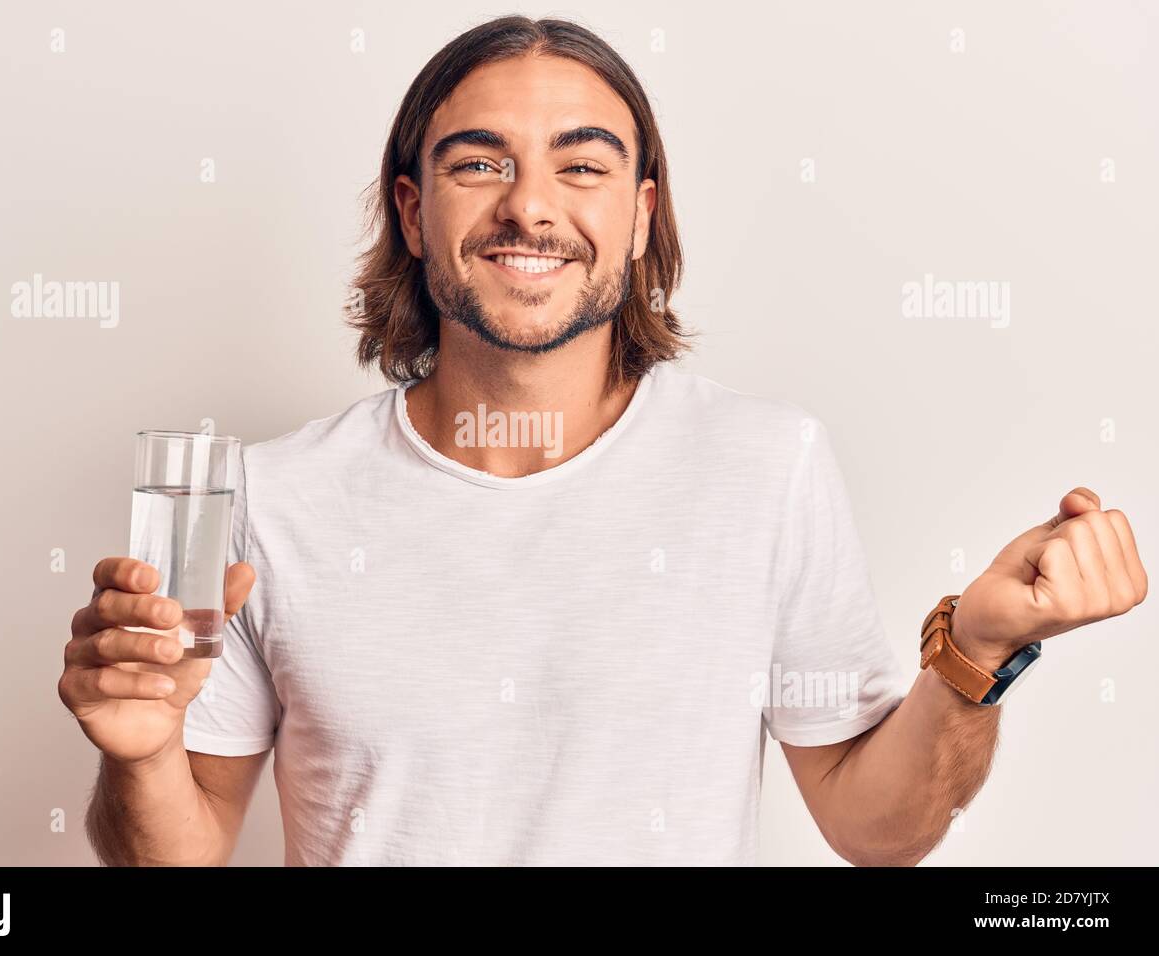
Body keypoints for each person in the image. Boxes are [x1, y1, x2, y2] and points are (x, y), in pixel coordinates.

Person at [59, 15, 1147, 866]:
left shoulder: (765, 468)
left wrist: (977, 653)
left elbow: (877, 830)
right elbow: (176, 850)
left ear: (637, 216)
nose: (529, 207)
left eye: (579, 167)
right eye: (477, 164)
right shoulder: (270, 495)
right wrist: (144, 752)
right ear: (409, 207)